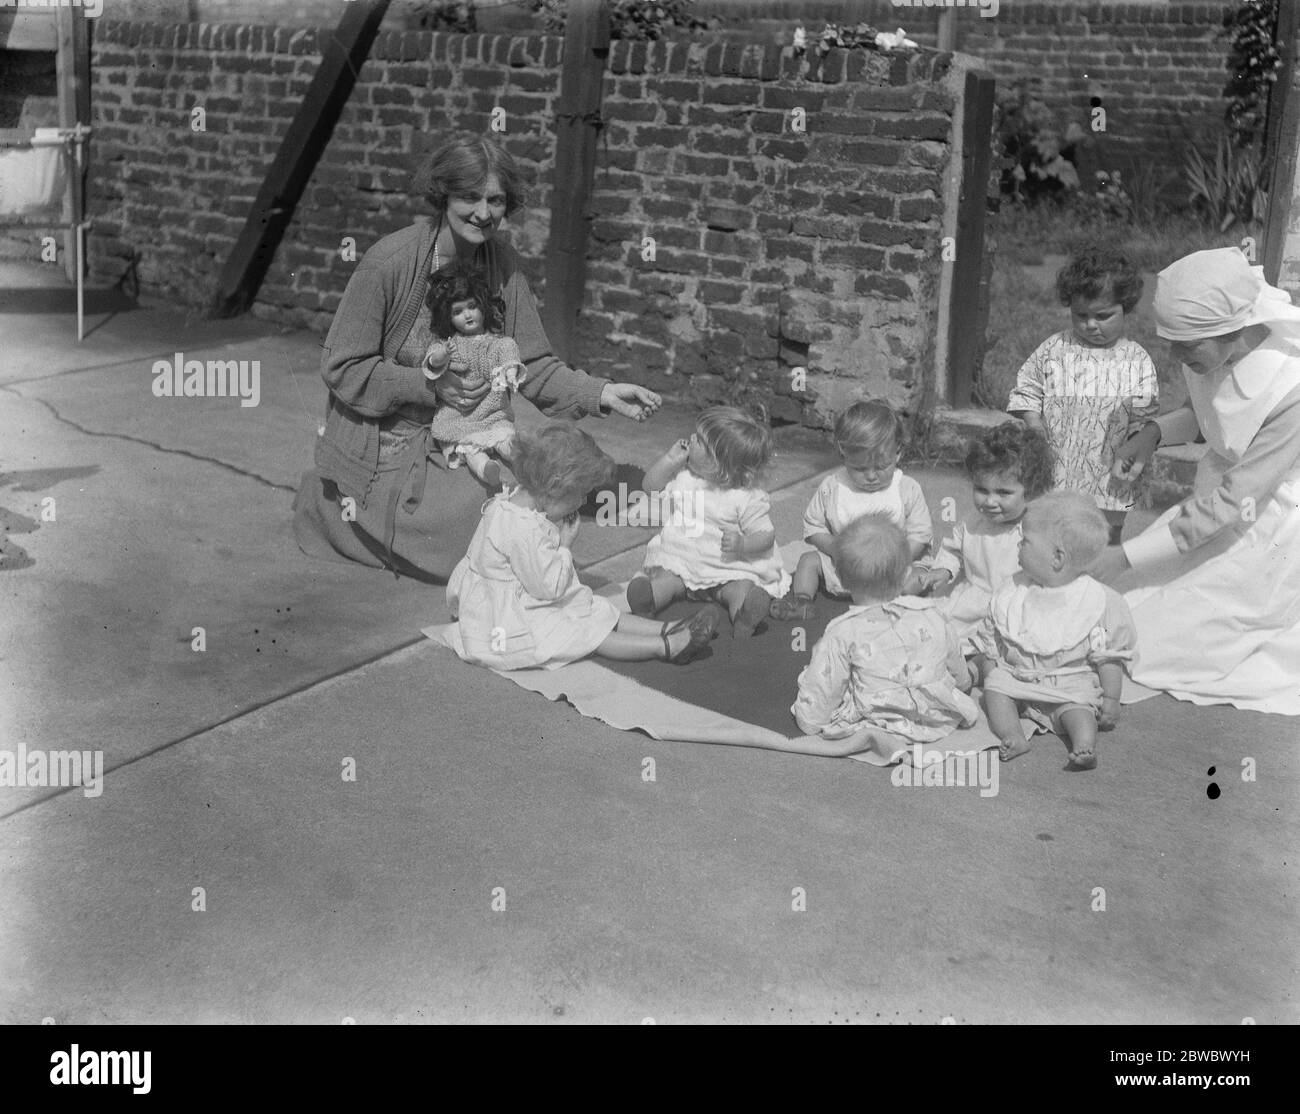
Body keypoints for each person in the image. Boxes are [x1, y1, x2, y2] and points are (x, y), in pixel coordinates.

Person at [293, 132, 660, 581]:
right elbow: (343, 367)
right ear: (442, 195)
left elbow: (533, 363)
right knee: (487, 538)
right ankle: (326, 504)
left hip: (472, 433)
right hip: (390, 441)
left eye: (496, 200)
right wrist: (428, 386)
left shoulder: (500, 261)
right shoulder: (387, 262)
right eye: (469, 197)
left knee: (534, 501)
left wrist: (602, 392)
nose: (483, 214)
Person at [1090, 248, 1300, 716]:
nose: (1176, 356)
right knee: (1121, 603)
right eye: (1172, 343)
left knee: (1160, 640)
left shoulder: (1291, 389)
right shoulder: (1208, 353)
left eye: (1188, 346)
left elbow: (1234, 502)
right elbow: (1211, 418)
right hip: (1210, 508)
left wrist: (1124, 555)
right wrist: (1154, 434)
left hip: (1269, 524)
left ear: (1236, 331)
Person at [447, 425, 721, 670]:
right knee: (583, 630)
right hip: (503, 622)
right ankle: (666, 647)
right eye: (579, 495)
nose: (581, 503)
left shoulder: (507, 503)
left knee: (590, 606)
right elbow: (548, 587)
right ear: (555, 488)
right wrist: (565, 547)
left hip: (501, 598)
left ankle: (670, 628)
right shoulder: (525, 530)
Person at [1007, 248, 1159, 545]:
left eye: (1103, 316)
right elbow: (1028, 387)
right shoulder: (1055, 348)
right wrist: (1033, 423)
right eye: (1082, 315)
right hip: (1059, 458)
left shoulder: (1135, 358)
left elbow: (1145, 409)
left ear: (1124, 308)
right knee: (1050, 522)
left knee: (1106, 526)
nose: (1091, 324)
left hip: (1110, 467)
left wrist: (1136, 437)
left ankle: (1103, 567)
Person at [975, 492, 1137, 769]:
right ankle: (1013, 735)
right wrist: (991, 671)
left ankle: (1084, 744)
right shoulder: (1014, 590)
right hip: (1018, 676)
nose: (1018, 545)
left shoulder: (1096, 601)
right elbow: (993, 638)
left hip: (1069, 681)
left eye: (1025, 541)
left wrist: (1111, 698)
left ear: (1057, 557)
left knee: (1080, 709)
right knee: (995, 693)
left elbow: (1108, 657)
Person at [791, 514, 978, 741]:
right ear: (907, 573)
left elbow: (823, 687)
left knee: (822, 660)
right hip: (936, 716)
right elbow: (956, 661)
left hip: (878, 717)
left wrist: (809, 720)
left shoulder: (843, 631)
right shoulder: (932, 613)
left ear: (841, 578)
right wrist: (963, 685)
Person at [626, 406, 789, 638]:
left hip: (726, 568)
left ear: (717, 463)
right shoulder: (686, 479)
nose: (691, 438)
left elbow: (765, 536)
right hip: (684, 562)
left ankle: (743, 615)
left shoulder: (746, 497)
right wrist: (670, 460)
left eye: (700, 440)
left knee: (739, 587)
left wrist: (743, 545)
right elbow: (650, 487)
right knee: (667, 578)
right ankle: (649, 599)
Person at [768, 400, 933, 622]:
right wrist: (834, 548)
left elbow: (920, 534)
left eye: (881, 467)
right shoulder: (833, 487)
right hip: (843, 569)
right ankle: (802, 601)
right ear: (843, 454)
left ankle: (899, 601)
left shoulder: (906, 488)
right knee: (808, 560)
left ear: (898, 453)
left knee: (920, 576)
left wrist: (898, 559)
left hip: (890, 571)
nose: (872, 476)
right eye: (860, 468)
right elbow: (812, 526)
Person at [913, 422, 1055, 659]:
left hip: (1015, 607)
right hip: (973, 601)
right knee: (938, 632)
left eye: (1003, 493)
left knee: (1014, 650)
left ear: (1030, 490)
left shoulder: (1035, 528)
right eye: (981, 490)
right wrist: (943, 571)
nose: (989, 501)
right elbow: (954, 549)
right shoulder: (973, 522)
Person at [422, 259, 525, 488]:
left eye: (472, 307)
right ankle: (486, 468)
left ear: (483, 306)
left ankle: (515, 454)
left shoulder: (495, 342)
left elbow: (509, 350)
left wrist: (510, 368)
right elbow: (431, 361)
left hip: (491, 412)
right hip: (458, 415)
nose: (467, 315)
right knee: (468, 448)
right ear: (447, 317)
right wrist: (441, 357)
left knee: (503, 434)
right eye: (458, 311)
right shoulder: (451, 345)